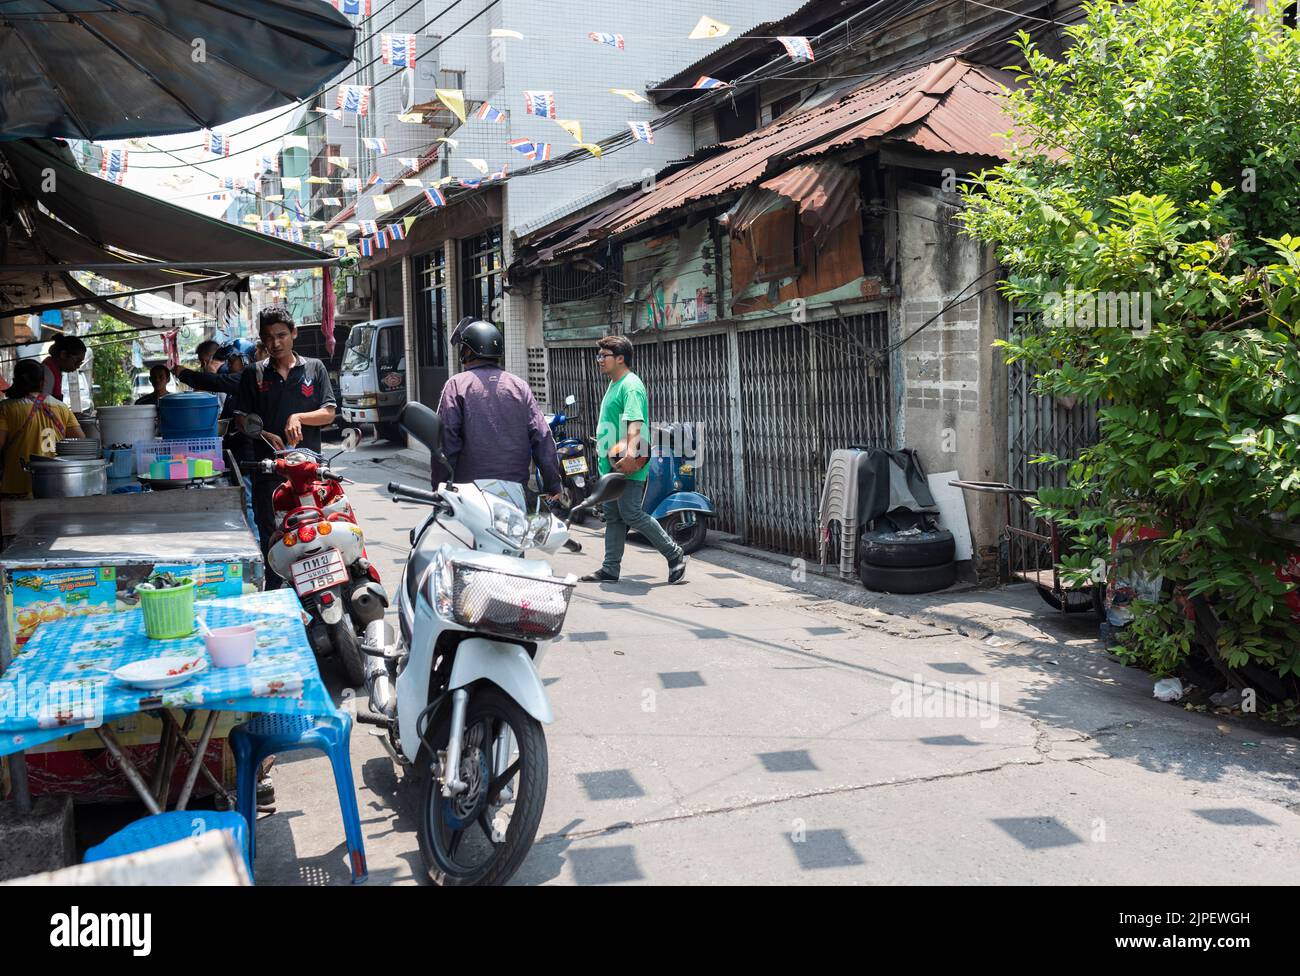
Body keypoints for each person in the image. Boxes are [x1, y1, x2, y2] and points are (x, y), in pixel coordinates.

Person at [234, 305, 336, 587]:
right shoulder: (253, 374)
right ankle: (277, 596)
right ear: (261, 338)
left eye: (281, 335)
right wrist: (264, 433)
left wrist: (298, 417)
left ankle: (323, 595)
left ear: (294, 333)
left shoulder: (314, 368)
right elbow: (241, 420)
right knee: (274, 539)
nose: (275, 343)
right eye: (268, 337)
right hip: (268, 474)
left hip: (310, 473)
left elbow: (329, 413)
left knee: (318, 534)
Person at [582, 335, 687, 585]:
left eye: (603, 356)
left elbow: (635, 422)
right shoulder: (614, 383)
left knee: (631, 513)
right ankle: (610, 568)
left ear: (620, 358)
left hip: (628, 464)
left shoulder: (631, 385)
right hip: (612, 466)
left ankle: (675, 554)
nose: (599, 361)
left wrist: (630, 454)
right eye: (599, 356)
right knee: (614, 516)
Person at [436, 317, 562, 501]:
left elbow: (446, 442)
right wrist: (553, 484)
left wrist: (439, 487)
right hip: (516, 495)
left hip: (470, 497)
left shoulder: (456, 385)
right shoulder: (519, 386)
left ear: (467, 352)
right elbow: (542, 437)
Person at [0, 359, 84, 497]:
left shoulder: (5, 408)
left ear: (15, 380)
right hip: (55, 484)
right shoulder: (61, 407)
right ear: (42, 383)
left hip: (17, 486)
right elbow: (80, 441)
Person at [41, 335, 87, 403]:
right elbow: (43, 406)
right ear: (63, 354)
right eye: (77, 361)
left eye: (80, 362)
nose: (78, 366)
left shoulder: (54, 370)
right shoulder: (47, 374)